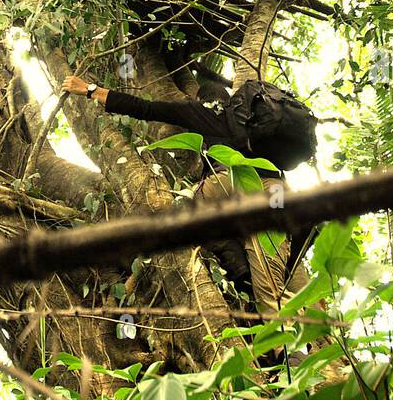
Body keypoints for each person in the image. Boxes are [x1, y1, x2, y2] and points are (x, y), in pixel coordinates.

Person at [62, 72, 292, 320]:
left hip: (230, 182)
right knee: (270, 275)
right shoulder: (255, 124)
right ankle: (293, 346)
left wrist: (90, 90)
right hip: (277, 190)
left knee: (191, 214)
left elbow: (146, 108)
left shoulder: (208, 113)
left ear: (203, 100)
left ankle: (239, 272)